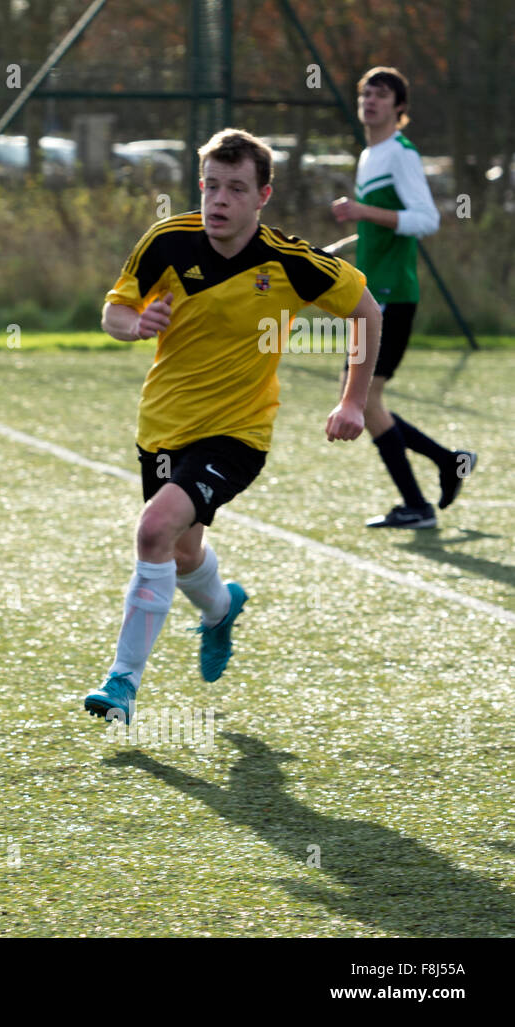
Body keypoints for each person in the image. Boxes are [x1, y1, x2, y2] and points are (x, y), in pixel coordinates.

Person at [84, 128, 381, 724]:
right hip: (163, 426)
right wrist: (136, 323)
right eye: (211, 186)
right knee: (183, 550)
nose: (219, 200)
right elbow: (114, 312)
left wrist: (353, 401)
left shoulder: (291, 262)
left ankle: (121, 683)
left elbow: (367, 312)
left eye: (236, 188)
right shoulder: (167, 241)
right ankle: (221, 609)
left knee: (153, 531)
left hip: (239, 434)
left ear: (262, 195)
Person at [331, 65, 475, 529]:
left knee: (363, 398)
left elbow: (426, 219)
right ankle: (438, 473)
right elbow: (379, 226)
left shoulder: (401, 154)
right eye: (365, 93)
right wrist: (341, 245)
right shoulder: (371, 154)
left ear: (399, 107)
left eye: (381, 94)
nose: (370, 100)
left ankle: (421, 498)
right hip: (370, 293)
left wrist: (362, 211)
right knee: (361, 398)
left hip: (391, 294)